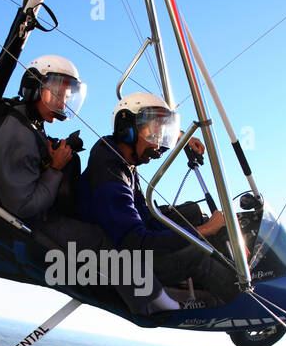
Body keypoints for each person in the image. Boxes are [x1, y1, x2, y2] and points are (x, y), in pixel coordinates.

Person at [0, 56, 160, 313]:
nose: (62, 102)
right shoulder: (18, 135)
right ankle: (147, 304)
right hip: (35, 221)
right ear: (34, 87)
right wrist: (55, 168)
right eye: (57, 93)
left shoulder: (27, 120)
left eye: (67, 96)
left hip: (48, 210)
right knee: (107, 240)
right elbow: (23, 207)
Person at [80, 91, 243, 311]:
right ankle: (243, 300)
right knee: (198, 254)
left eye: (161, 135)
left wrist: (181, 137)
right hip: (126, 259)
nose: (157, 146)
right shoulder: (110, 178)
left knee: (192, 211)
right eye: (152, 135)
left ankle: (231, 257)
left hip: (137, 227)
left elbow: (151, 130)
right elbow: (135, 244)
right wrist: (203, 230)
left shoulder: (116, 151)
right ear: (126, 128)